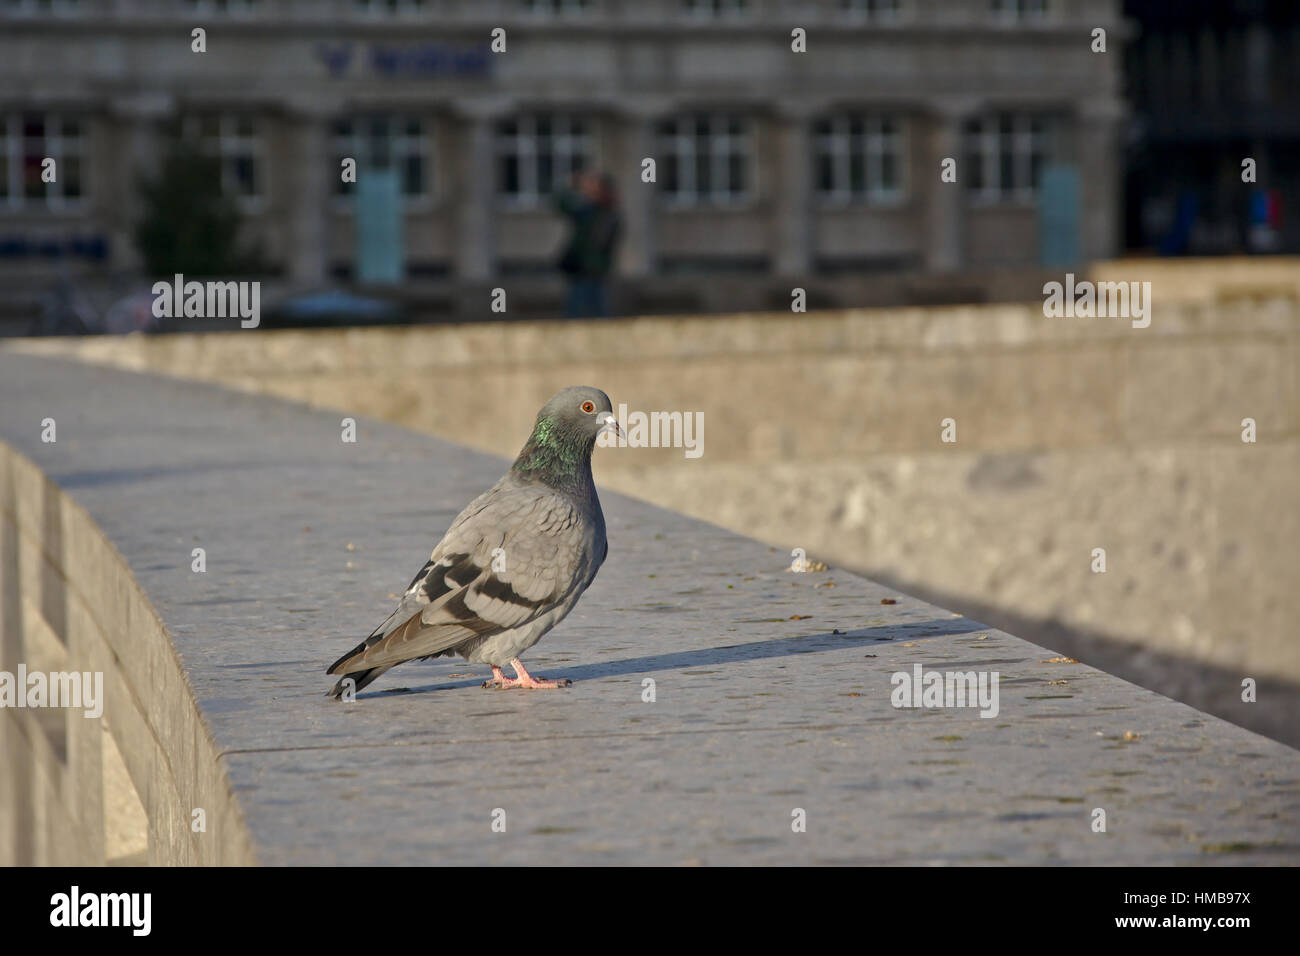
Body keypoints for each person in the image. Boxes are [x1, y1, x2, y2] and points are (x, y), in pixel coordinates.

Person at [554, 170, 621, 318]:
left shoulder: (604, 213)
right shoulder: (587, 210)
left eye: (592, 186)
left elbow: (601, 243)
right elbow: (561, 204)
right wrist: (571, 186)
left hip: (592, 269)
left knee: (592, 309)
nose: (588, 190)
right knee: (579, 308)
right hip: (581, 268)